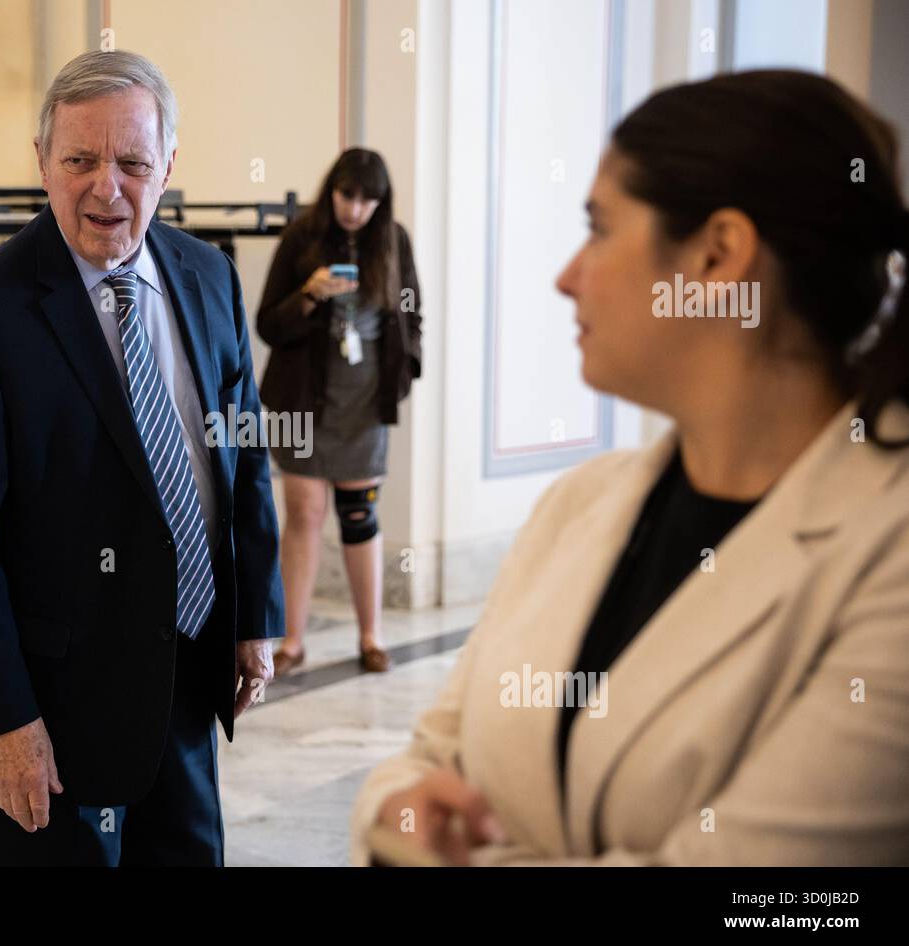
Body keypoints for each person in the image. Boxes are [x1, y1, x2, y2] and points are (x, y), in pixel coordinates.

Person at [351, 69, 909, 866]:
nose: (567, 275)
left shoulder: (888, 551)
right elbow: (427, 758)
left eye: (599, 228)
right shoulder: (580, 504)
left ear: (719, 257)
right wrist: (400, 815)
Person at [0, 49, 285, 866]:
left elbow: (244, 453)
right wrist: (2, 718)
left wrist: (255, 614)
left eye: (132, 162)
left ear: (169, 165)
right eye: (79, 159)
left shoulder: (209, 273)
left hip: (185, 674)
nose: (106, 187)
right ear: (41, 161)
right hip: (47, 706)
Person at [256, 149, 422, 676]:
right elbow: (267, 324)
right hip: (304, 399)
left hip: (364, 404)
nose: (355, 209)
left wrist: (408, 366)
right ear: (333, 190)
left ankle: (371, 637)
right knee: (303, 515)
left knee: (359, 517)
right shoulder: (300, 237)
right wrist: (309, 294)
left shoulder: (393, 241)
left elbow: (413, 311)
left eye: (368, 200)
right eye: (348, 195)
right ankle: (292, 641)